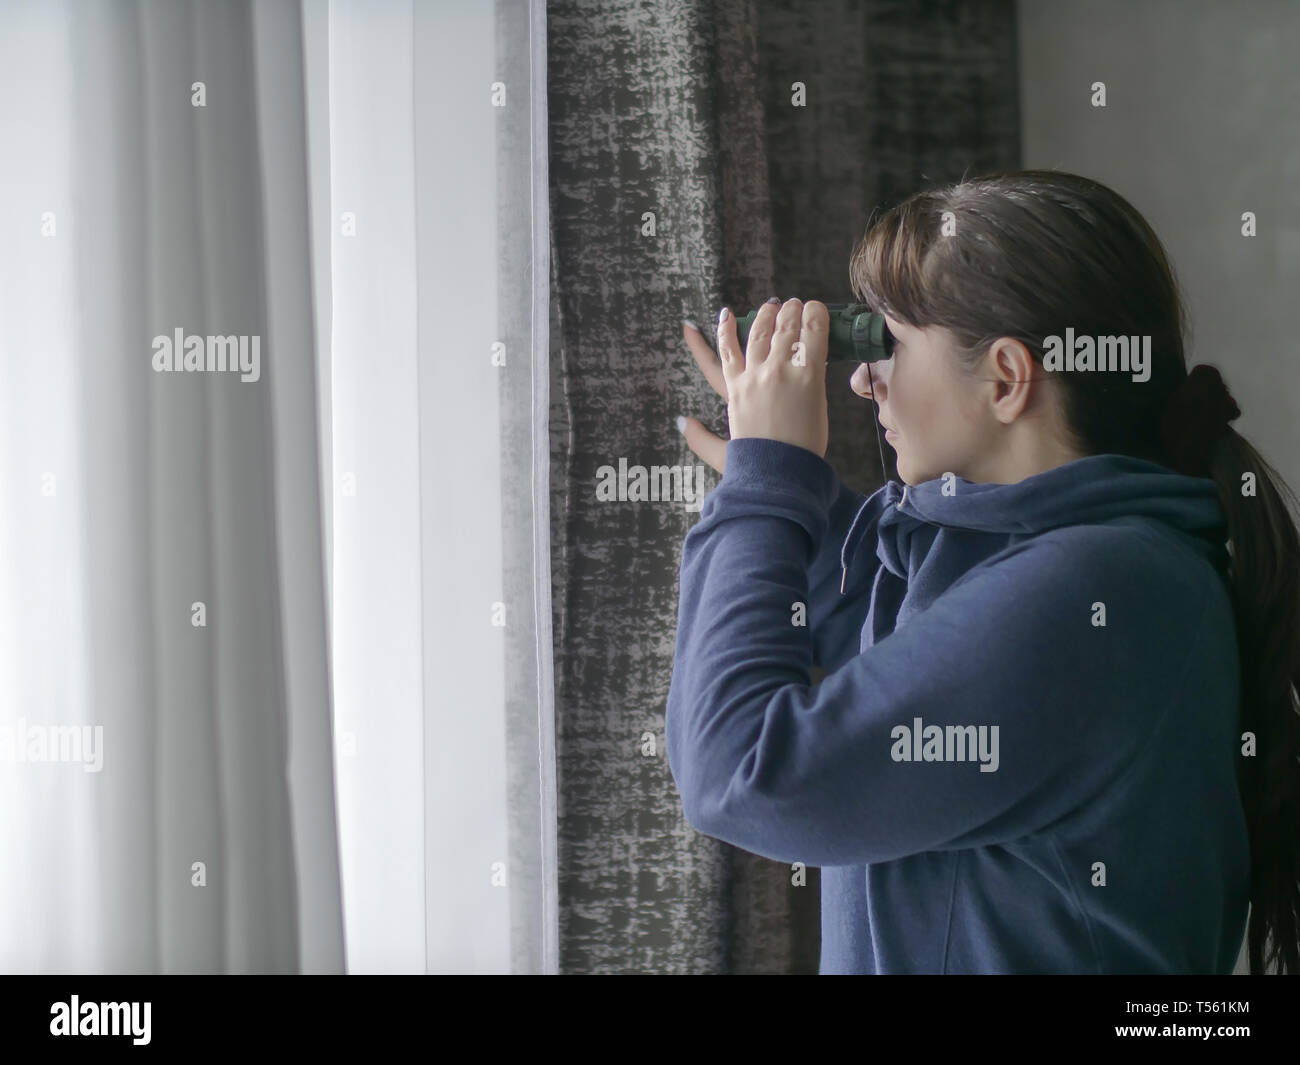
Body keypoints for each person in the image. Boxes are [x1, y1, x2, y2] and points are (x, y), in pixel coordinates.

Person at [667, 169, 1300, 974]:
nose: (863, 377)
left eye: (887, 341)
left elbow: (744, 772)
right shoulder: (1112, 563)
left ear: (1006, 377)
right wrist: (780, 490)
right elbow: (889, 629)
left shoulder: (1102, 590)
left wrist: (767, 487)